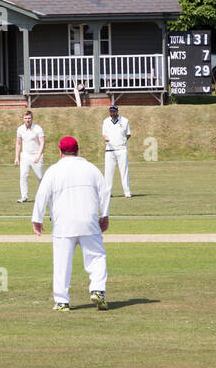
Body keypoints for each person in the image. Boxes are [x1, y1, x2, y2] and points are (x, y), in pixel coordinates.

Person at [31, 136, 109, 310]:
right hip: (88, 221)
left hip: (63, 223)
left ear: (59, 152)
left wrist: (37, 218)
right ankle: (98, 290)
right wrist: (104, 215)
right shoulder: (91, 168)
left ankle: (62, 301)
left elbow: (41, 195)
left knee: (61, 263)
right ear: (78, 150)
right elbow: (104, 191)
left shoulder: (53, 171)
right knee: (96, 257)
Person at [101, 103, 132, 198]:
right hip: (110, 150)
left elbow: (128, 134)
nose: (112, 113)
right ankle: (108, 192)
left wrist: (122, 142)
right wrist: (106, 138)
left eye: (114, 111)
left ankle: (127, 192)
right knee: (108, 172)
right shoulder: (106, 121)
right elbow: (104, 134)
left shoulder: (125, 121)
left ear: (117, 111)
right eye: (110, 111)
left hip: (121, 149)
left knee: (124, 171)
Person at [14, 109, 45, 203]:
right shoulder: (20, 129)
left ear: (32, 118)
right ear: (23, 119)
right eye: (26, 118)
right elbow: (18, 144)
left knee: (40, 177)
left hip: (36, 155)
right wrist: (16, 157)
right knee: (23, 176)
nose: (27, 120)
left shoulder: (38, 128)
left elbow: (42, 142)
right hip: (25, 156)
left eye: (29, 118)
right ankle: (24, 197)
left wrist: (39, 155)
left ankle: (42, 196)